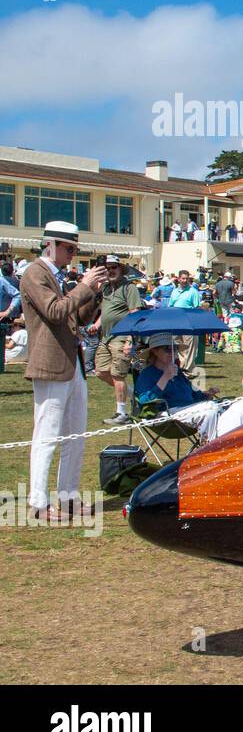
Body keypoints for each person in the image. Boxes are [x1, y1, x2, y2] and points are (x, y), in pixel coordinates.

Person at [21, 221, 107, 520]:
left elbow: (77, 319)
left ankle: (68, 497)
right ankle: (38, 502)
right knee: (47, 434)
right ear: (51, 245)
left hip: (73, 364)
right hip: (51, 363)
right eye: (69, 248)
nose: (72, 254)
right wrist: (83, 287)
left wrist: (94, 293)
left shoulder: (57, 277)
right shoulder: (35, 273)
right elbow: (55, 312)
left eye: (75, 249)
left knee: (75, 436)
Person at [90, 255, 141, 425]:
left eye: (114, 267)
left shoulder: (129, 288)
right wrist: (96, 324)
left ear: (121, 269)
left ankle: (121, 413)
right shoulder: (105, 288)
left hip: (121, 337)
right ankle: (133, 394)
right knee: (101, 372)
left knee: (117, 374)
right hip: (105, 337)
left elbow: (135, 314)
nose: (110, 270)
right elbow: (106, 312)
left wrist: (130, 340)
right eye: (108, 268)